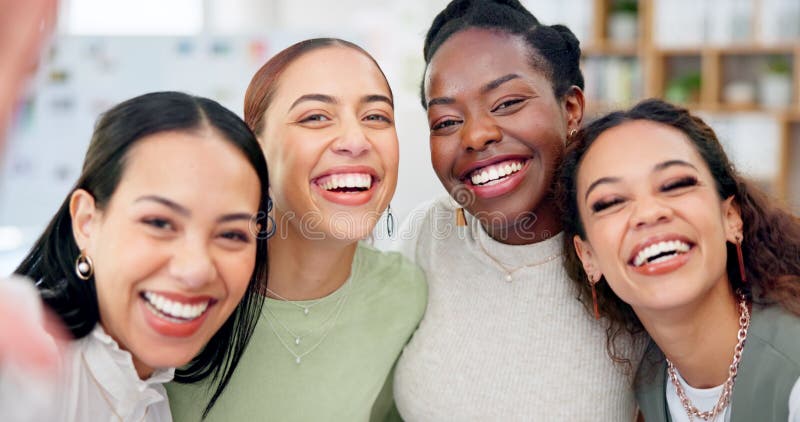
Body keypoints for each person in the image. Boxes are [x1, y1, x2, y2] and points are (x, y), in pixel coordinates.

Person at [392, 0, 639, 420]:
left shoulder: (630, 242)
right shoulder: (427, 234)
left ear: (571, 109)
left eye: (506, 103)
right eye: (447, 122)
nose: (476, 134)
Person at [167, 38, 427, 421]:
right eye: (316, 117)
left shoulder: (405, 295)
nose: (356, 141)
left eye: (376, 117)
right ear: (254, 150)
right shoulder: (186, 286)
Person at [2, 91, 271, 421]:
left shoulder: (152, 398)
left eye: (231, 234)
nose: (197, 269)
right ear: (87, 223)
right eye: (159, 223)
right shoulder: (28, 356)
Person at [559, 98, 800, 421]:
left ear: (731, 218)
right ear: (588, 257)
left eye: (675, 184)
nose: (648, 213)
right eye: (611, 202)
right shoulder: (647, 385)